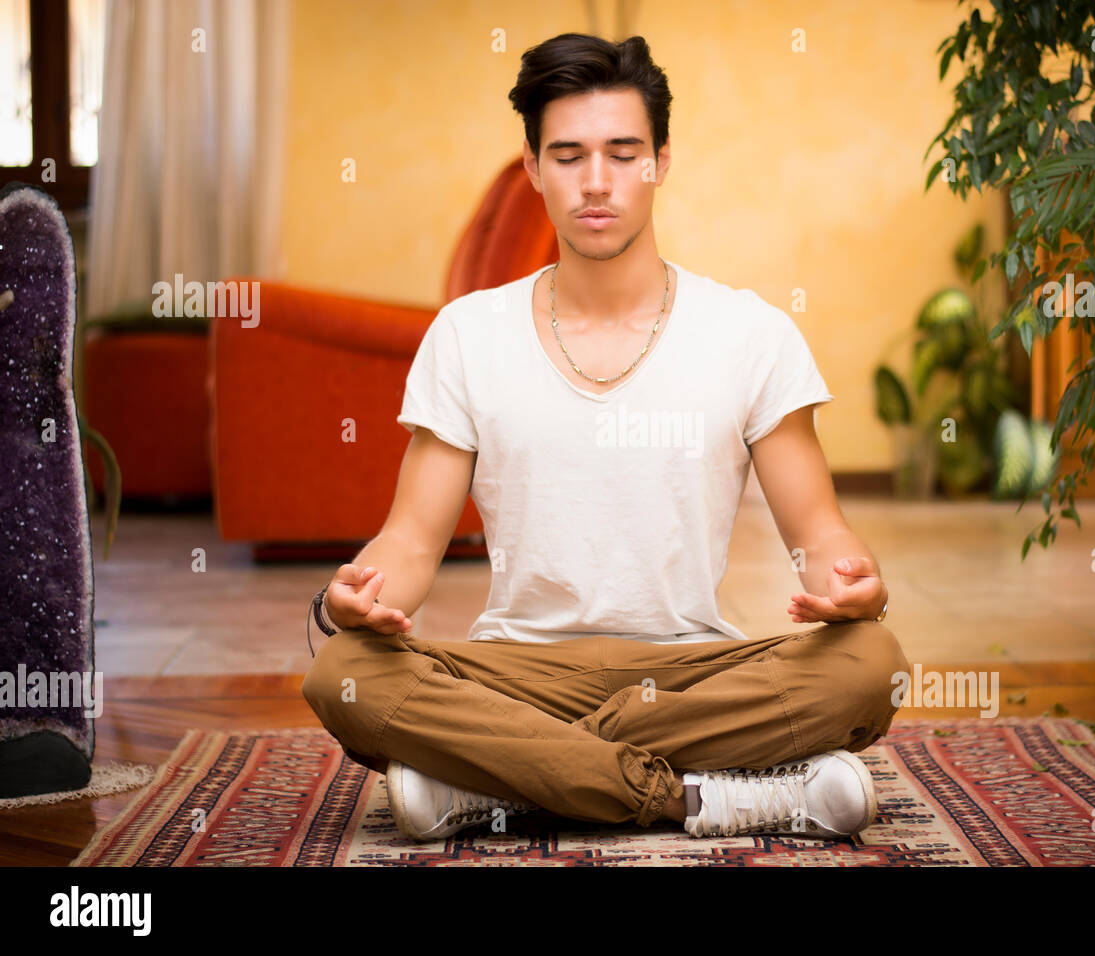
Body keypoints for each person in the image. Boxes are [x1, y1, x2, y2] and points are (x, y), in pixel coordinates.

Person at [301, 31, 909, 842]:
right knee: (342, 671)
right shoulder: (466, 334)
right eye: (568, 155)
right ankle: (707, 798)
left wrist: (852, 581)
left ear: (661, 161)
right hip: (515, 672)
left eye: (624, 154)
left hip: (696, 670)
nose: (596, 183)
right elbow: (410, 541)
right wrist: (358, 595)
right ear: (532, 169)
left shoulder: (750, 333)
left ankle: (497, 785)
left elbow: (821, 532)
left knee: (872, 665)